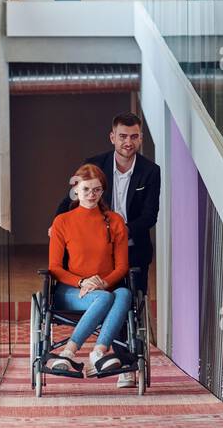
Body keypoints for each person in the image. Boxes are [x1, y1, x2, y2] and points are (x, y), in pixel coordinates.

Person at [53, 113, 160, 387]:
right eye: (122, 136)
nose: (128, 141)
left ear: (140, 139)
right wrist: (57, 227)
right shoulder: (94, 166)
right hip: (88, 253)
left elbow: (149, 216)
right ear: (113, 137)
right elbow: (68, 201)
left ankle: (121, 364)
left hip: (130, 245)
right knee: (109, 298)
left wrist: (117, 232)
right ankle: (86, 352)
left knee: (127, 299)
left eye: (134, 136)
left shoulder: (150, 171)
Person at [46, 165, 133, 379]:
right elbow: (54, 267)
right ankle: (68, 353)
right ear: (76, 189)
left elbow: (122, 266)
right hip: (71, 291)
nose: (91, 195)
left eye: (97, 190)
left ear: (103, 191)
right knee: (105, 297)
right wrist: (83, 282)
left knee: (125, 294)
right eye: (86, 189)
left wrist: (102, 283)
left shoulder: (115, 221)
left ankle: (98, 353)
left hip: (106, 288)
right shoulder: (62, 221)